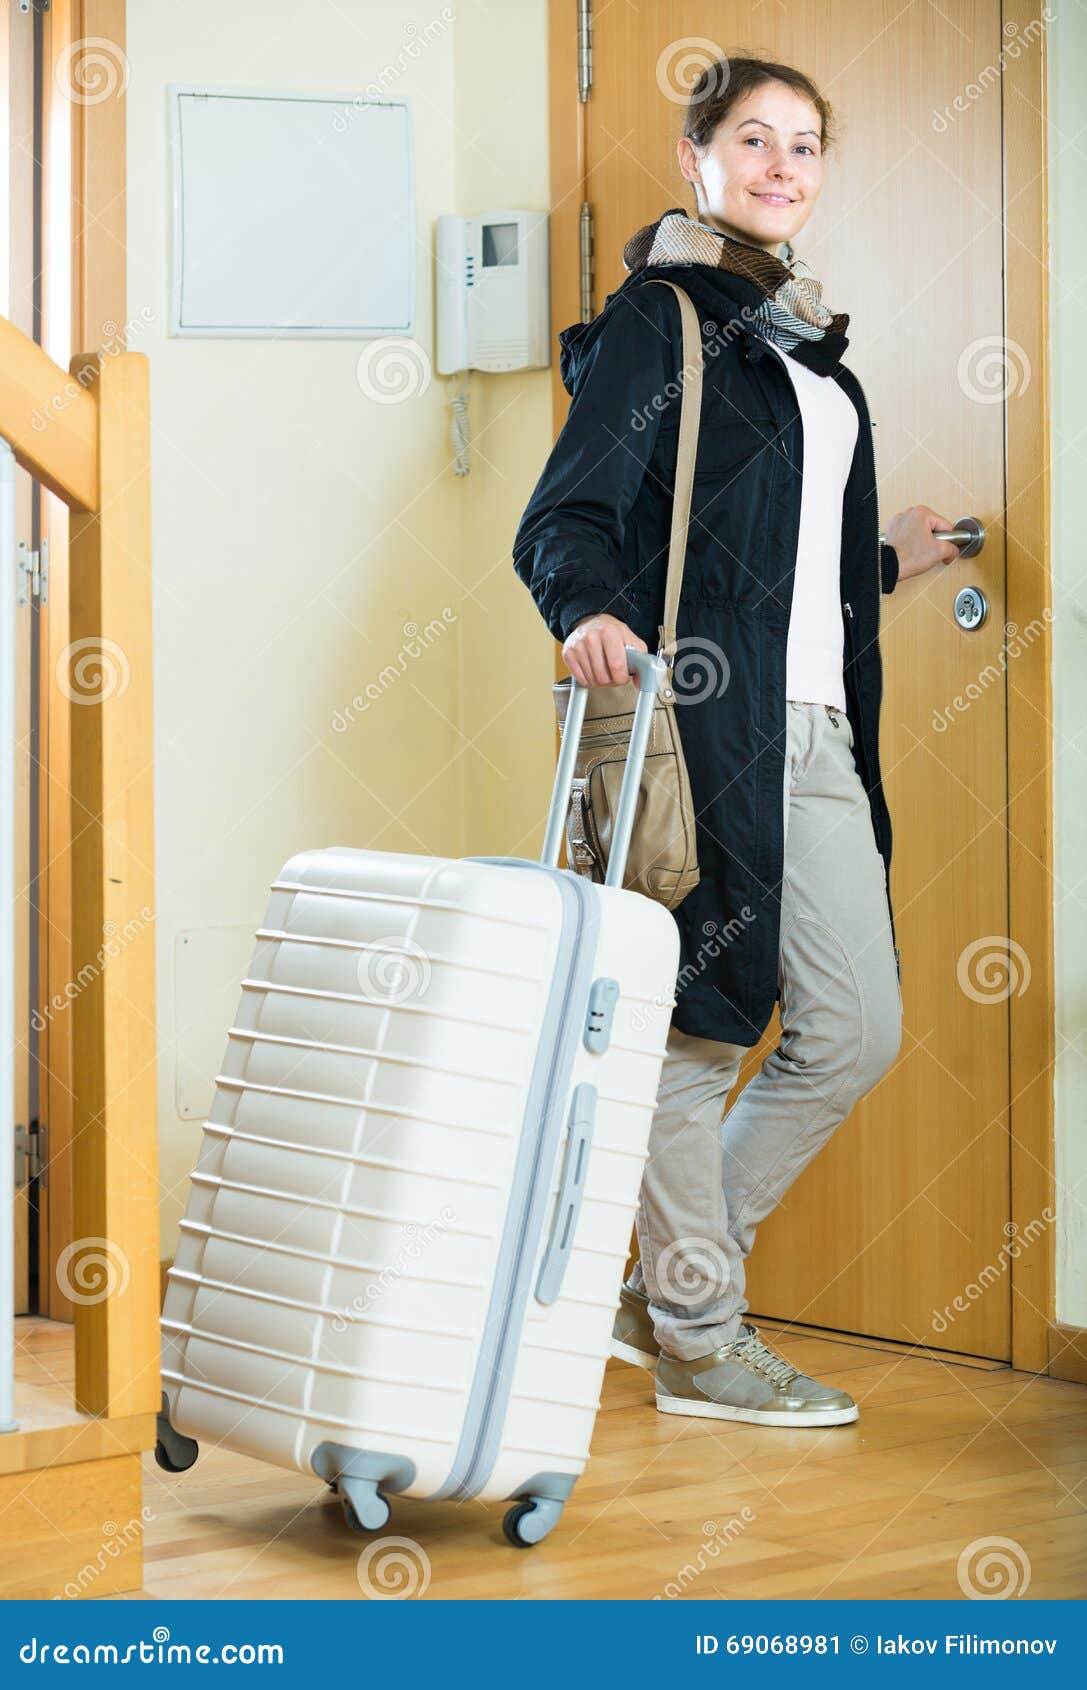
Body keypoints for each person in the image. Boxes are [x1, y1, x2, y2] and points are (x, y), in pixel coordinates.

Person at [512, 56, 961, 1428]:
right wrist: (583, 605)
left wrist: (879, 564)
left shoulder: (806, 340)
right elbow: (564, 518)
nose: (780, 164)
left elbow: (760, 553)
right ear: (699, 160)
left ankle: (666, 1288)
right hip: (706, 727)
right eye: (752, 140)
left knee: (856, 1026)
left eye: (805, 145)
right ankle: (705, 1336)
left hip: (818, 727)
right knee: (702, 1029)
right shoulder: (664, 320)